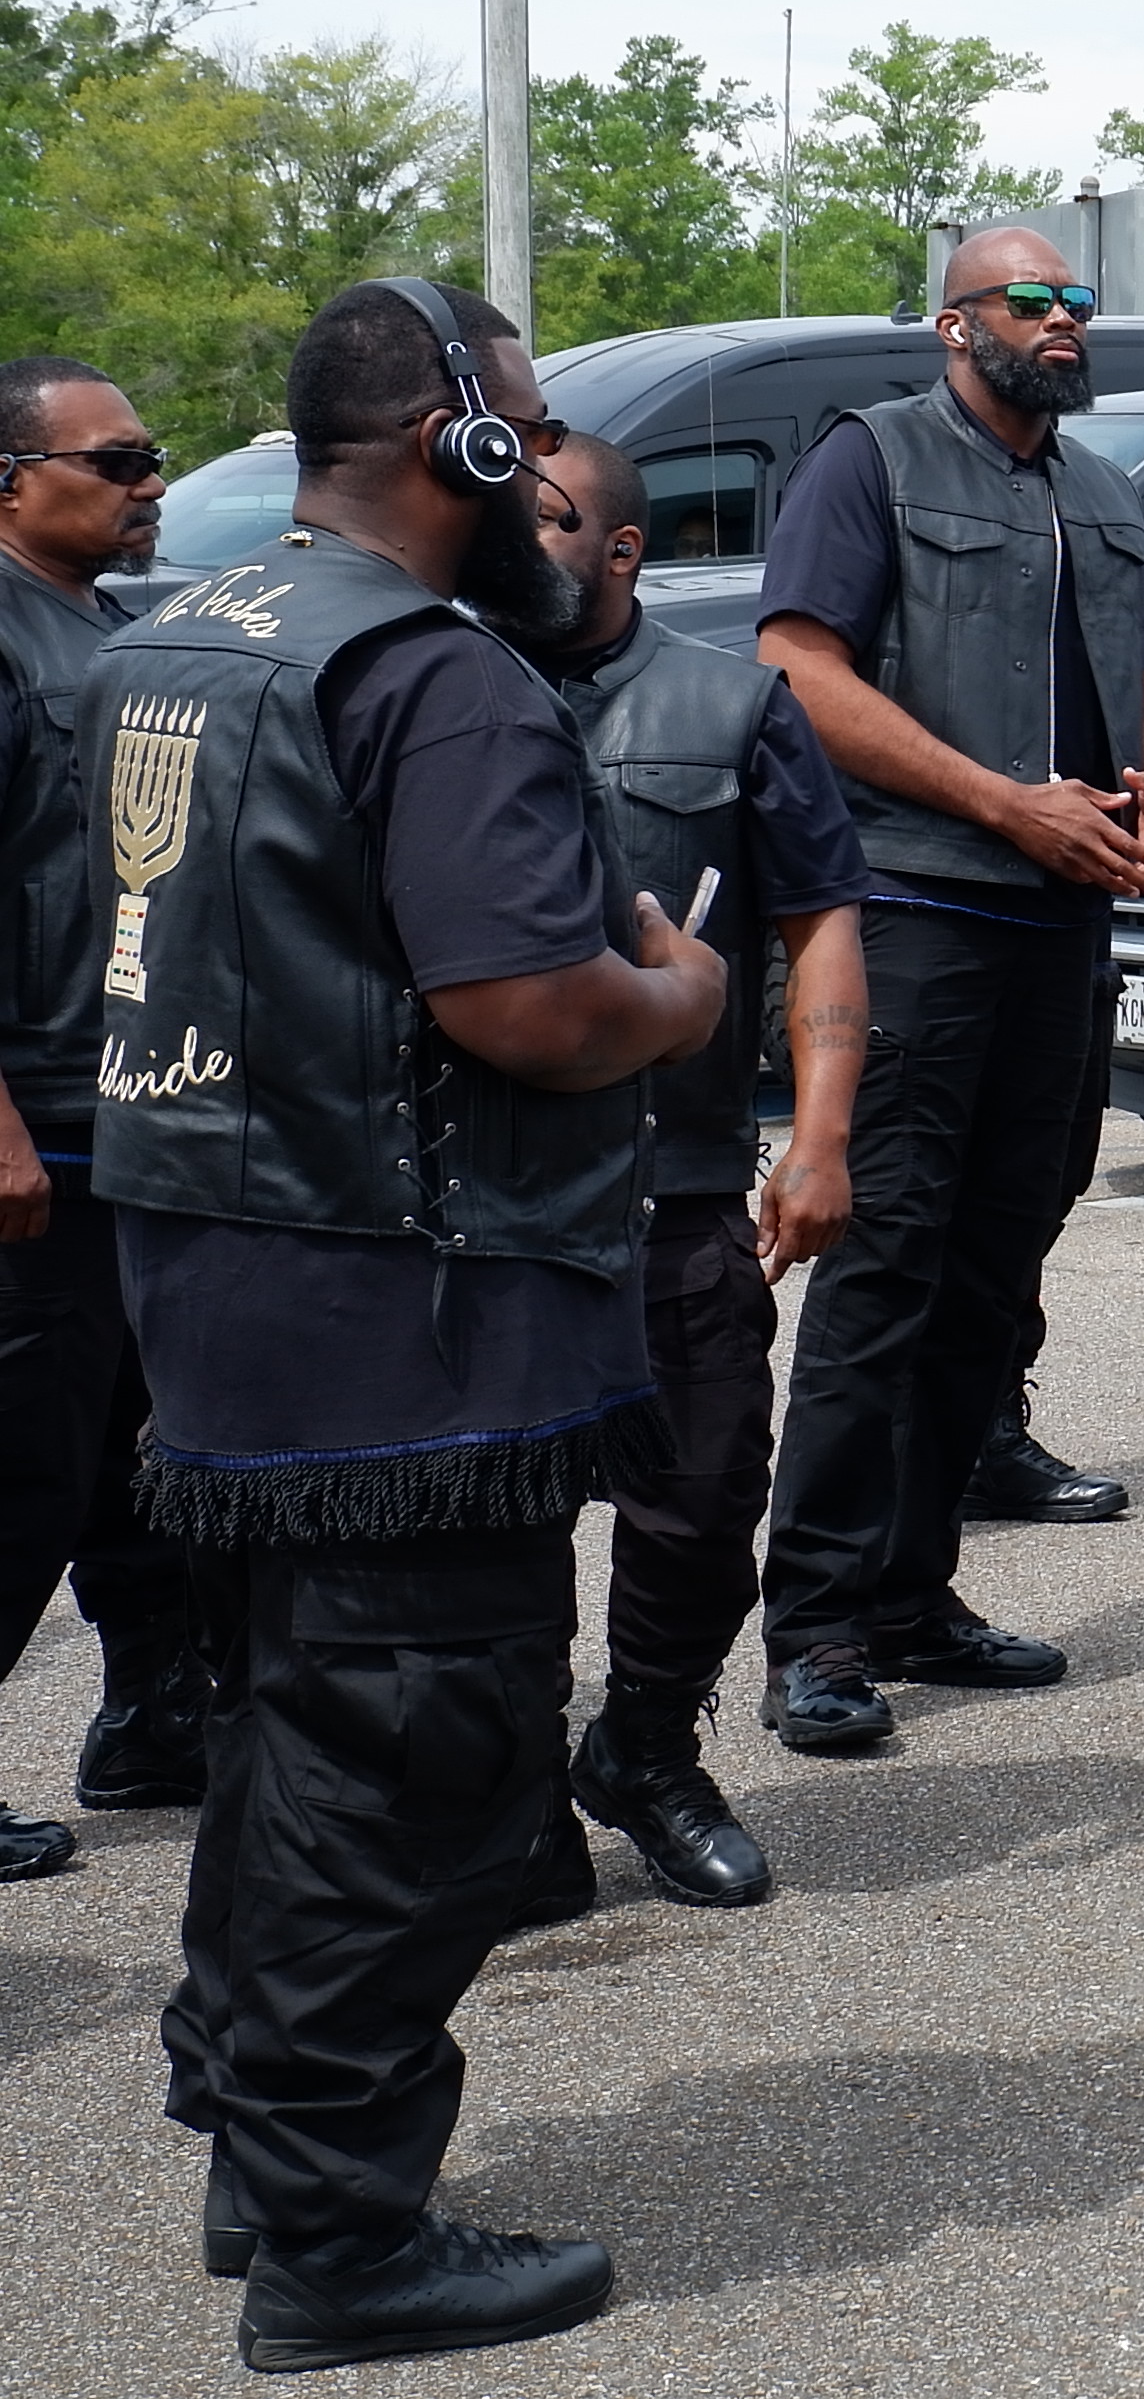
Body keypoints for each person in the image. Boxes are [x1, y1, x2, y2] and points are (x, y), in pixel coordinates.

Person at [97, 280, 725, 2367]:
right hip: (409, 1316)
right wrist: (680, 1000)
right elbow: (532, 1011)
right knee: (425, 1777)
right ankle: (341, 2244)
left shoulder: (189, 630)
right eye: (525, 432)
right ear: (452, 444)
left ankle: (256, 2141)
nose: (548, 473)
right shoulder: (430, 679)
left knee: (292, 1740)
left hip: (224, 1287)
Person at [752, 227, 1144, 1756]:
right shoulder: (871, 461)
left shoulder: (1101, 489)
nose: (1066, 320)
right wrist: (1002, 802)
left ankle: (912, 1599)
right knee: (883, 1273)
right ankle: (815, 1627)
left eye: (1079, 300)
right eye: (1033, 300)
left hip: (1060, 931)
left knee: (992, 1275)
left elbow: (1140, 698)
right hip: (911, 909)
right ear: (958, 325)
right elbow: (801, 668)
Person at [515, 434, 869, 1911]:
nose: (512, 538)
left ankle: (648, 1748)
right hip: (489, 1204)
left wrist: (825, 1133)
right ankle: (517, 1793)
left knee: (710, 1496)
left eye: (548, 518)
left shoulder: (734, 706)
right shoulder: (432, 691)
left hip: (679, 1184)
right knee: (498, 1520)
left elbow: (823, 922)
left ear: (622, 548)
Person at [0, 357, 192, 1882]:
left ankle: (152, 1715)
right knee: (24, 1461)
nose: (149, 484)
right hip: (34, 1128)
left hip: (132, 1112)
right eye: (117, 461)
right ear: (13, 475)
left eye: (152, 459)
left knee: (139, 1445)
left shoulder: (115, 626)